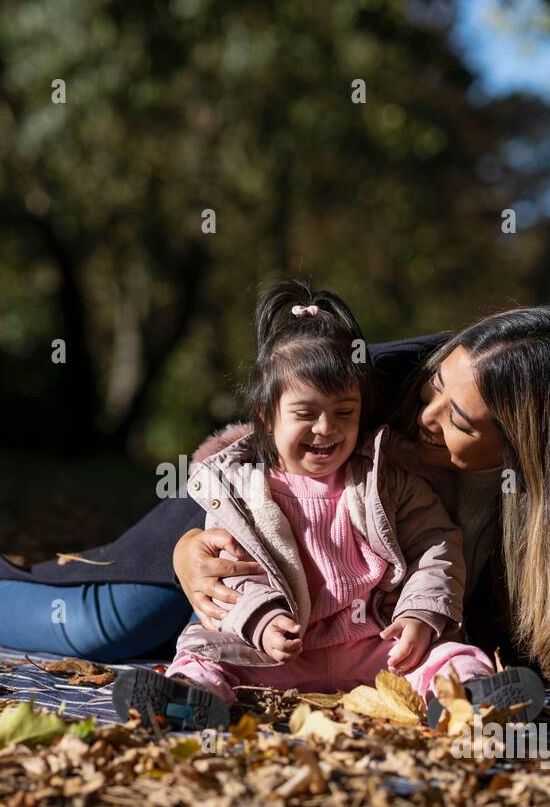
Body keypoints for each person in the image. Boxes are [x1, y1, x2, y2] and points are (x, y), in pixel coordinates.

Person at [0, 304, 550, 682]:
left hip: (342, 616)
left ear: (527, 445)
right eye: (433, 384)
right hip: (253, 511)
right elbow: (246, 444)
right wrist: (184, 549)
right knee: (128, 621)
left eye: (454, 416)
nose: (423, 410)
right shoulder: (382, 379)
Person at [110, 280, 495, 728]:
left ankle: (471, 700)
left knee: (448, 655)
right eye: (306, 414)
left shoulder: (386, 478)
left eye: (344, 412)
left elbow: (436, 543)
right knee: (205, 654)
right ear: (266, 416)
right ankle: (187, 702)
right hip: (275, 650)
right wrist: (261, 620)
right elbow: (231, 571)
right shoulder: (241, 491)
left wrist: (421, 613)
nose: (326, 428)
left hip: (373, 647)